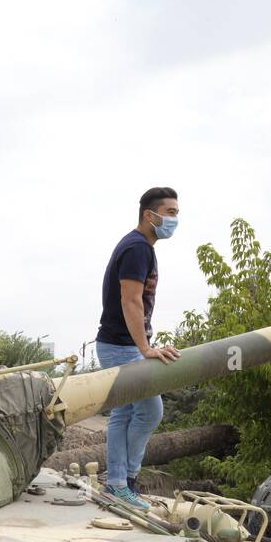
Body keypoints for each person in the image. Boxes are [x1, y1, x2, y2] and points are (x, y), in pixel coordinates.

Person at [95, 187, 182, 509]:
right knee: (148, 410)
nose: (175, 219)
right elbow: (130, 299)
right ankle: (121, 482)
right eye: (170, 212)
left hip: (120, 343)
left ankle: (121, 482)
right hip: (121, 346)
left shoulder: (140, 246)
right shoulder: (137, 248)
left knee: (129, 411)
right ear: (150, 214)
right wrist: (145, 348)